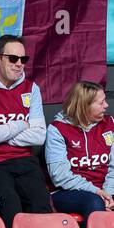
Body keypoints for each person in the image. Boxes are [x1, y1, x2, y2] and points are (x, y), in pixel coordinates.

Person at [0, 34, 52, 228]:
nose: (19, 64)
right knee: (10, 203)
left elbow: (39, 135)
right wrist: (21, 125)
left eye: (24, 59)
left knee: (40, 201)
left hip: (24, 159)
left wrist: (3, 135)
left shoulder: (31, 88)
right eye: (13, 59)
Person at [44, 79, 114, 219]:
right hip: (68, 191)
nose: (106, 105)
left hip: (105, 189)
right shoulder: (57, 129)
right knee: (94, 202)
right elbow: (60, 176)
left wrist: (108, 193)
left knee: (100, 200)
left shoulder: (110, 123)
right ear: (84, 106)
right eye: (100, 103)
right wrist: (97, 192)